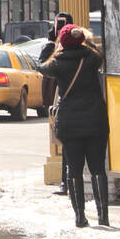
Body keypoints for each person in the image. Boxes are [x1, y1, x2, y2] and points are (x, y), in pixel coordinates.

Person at [40, 24, 109, 228]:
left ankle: (80, 217)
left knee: (74, 170)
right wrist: (82, 39)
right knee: (98, 168)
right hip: (95, 120)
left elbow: (40, 66)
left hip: (70, 123)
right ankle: (103, 216)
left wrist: (50, 43)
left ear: (61, 42)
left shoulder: (57, 64)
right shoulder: (92, 58)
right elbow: (95, 49)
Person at [39, 11, 72, 196]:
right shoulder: (87, 52)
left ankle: (66, 183)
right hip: (86, 106)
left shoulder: (60, 54)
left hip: (67, 106)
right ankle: (69, 182)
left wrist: (51, 42)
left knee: (67, 146)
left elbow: (42, 66)